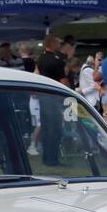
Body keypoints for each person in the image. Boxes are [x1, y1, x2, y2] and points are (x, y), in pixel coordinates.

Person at [35, 35, 67, 165]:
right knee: (55, 129)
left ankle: (46, 157)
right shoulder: (56, 60)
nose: (59, 45)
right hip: (54, 97)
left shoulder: (40, 58)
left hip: (43, 96)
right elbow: (63, 80)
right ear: (52, 44)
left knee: (46, 128)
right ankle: (53, 159)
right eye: (58, 43)